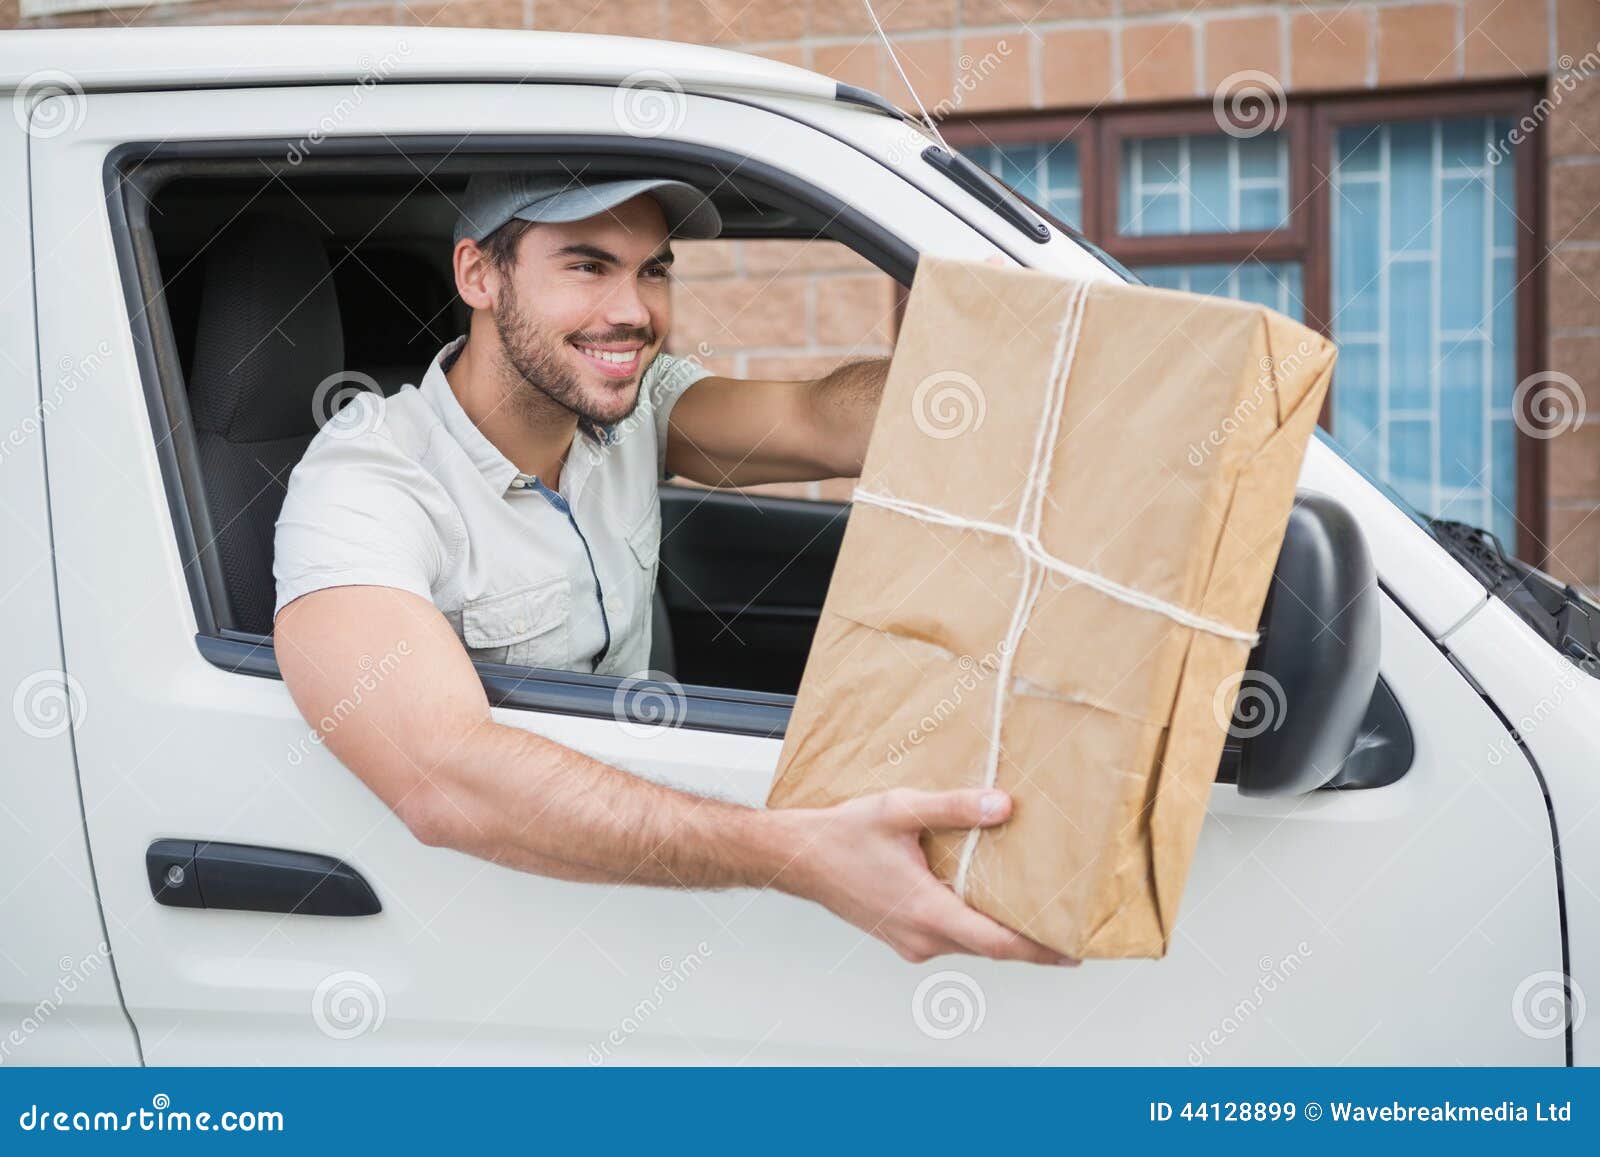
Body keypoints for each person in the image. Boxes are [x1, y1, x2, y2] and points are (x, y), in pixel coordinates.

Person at [272, 172, 1072, 966]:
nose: (633, 311)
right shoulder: (367, 480)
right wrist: (794, 851)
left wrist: (992, 373)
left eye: (653, 269)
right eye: (588, 266)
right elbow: (444, 775)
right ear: (479, 274)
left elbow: (815, 419)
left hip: (637, 904)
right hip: (488, 939)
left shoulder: (633, 401)